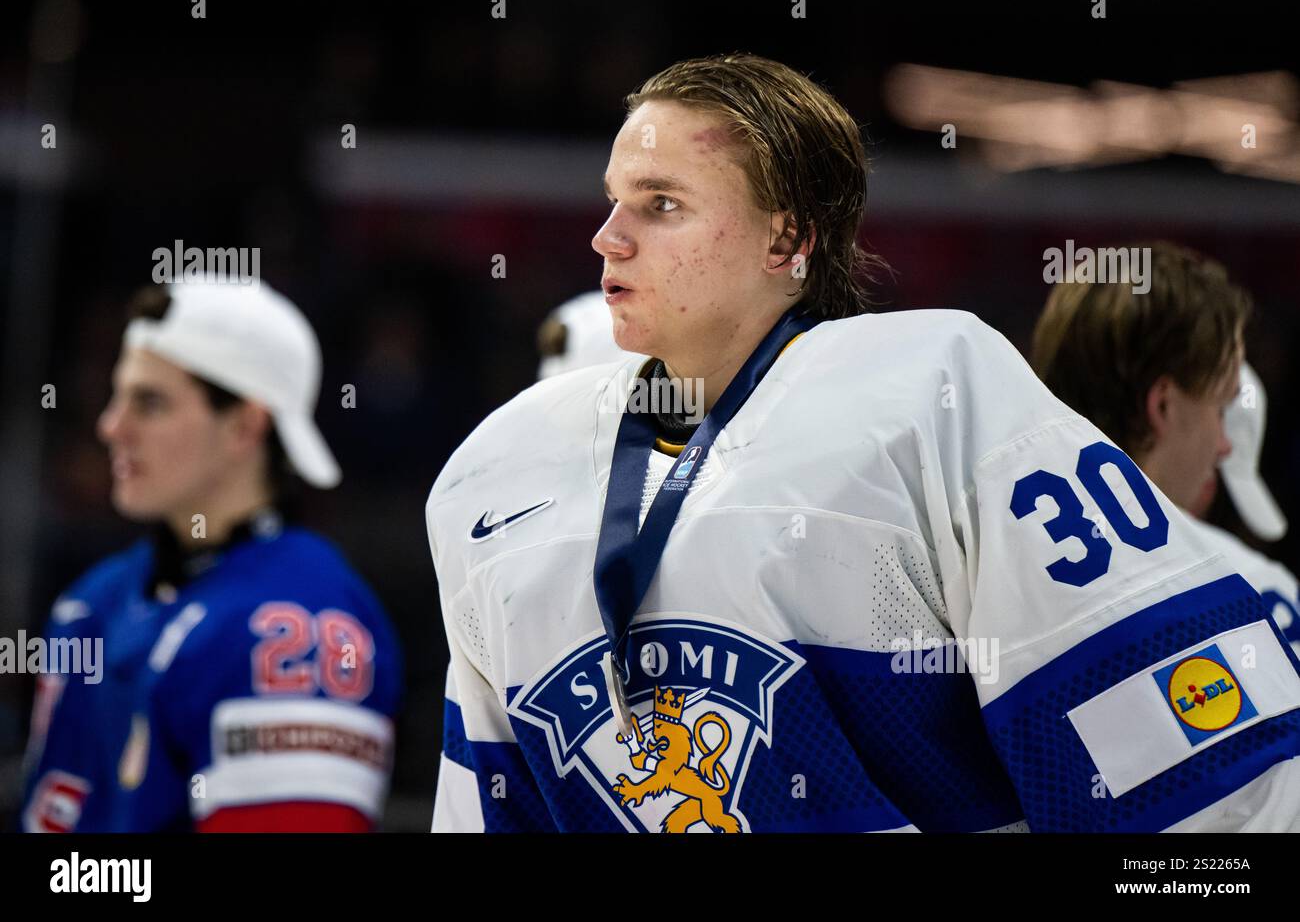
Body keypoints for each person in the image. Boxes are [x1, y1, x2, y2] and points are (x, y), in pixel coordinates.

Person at [426, 54, 1300, 832]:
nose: (608, 237)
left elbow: (1198, 771)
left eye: (662, 204)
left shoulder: (938, 390)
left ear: (789, 238)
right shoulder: (494, 469)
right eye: (613, 200)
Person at [22, 276, 402, 832]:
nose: (111, 427)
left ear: (245, 425)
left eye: (149, 403)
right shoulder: (94, 599)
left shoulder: (303, 627)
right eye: (117, 395)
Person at [1032, 249, 1300, 659]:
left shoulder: (982, 574)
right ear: (1163, 406)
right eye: (1219, 406)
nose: (1225, 444)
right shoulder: (1255, 595)